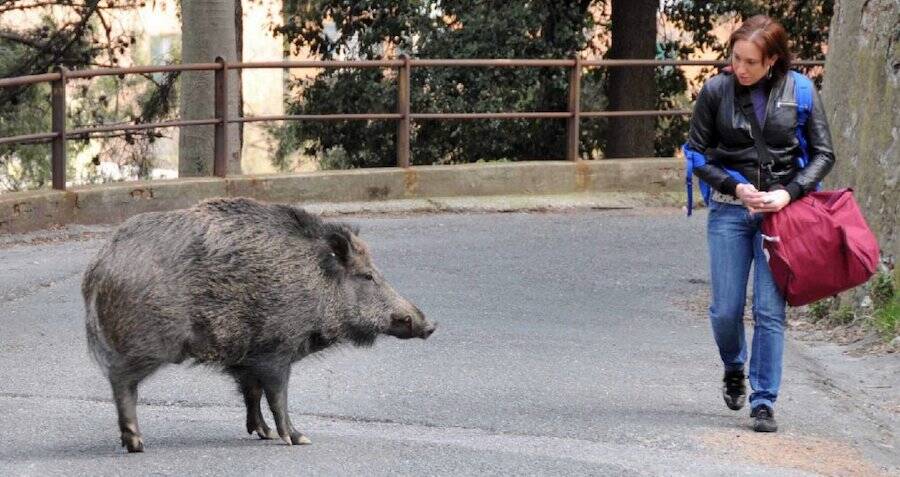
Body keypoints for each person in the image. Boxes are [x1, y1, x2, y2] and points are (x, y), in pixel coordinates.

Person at [685, 15, 835, 432]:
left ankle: (764, 399)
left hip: (781, 214)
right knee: (725, 310)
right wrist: (736, 188)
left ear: (772, 61)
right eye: (736, 58)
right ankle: (734, 365)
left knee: (770, 312)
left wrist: (787, 192)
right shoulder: (716, 90)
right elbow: (696, 154)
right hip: (730, 211)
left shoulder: (801, 91)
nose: (741, 68)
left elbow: (824, 154)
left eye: (751, 61)